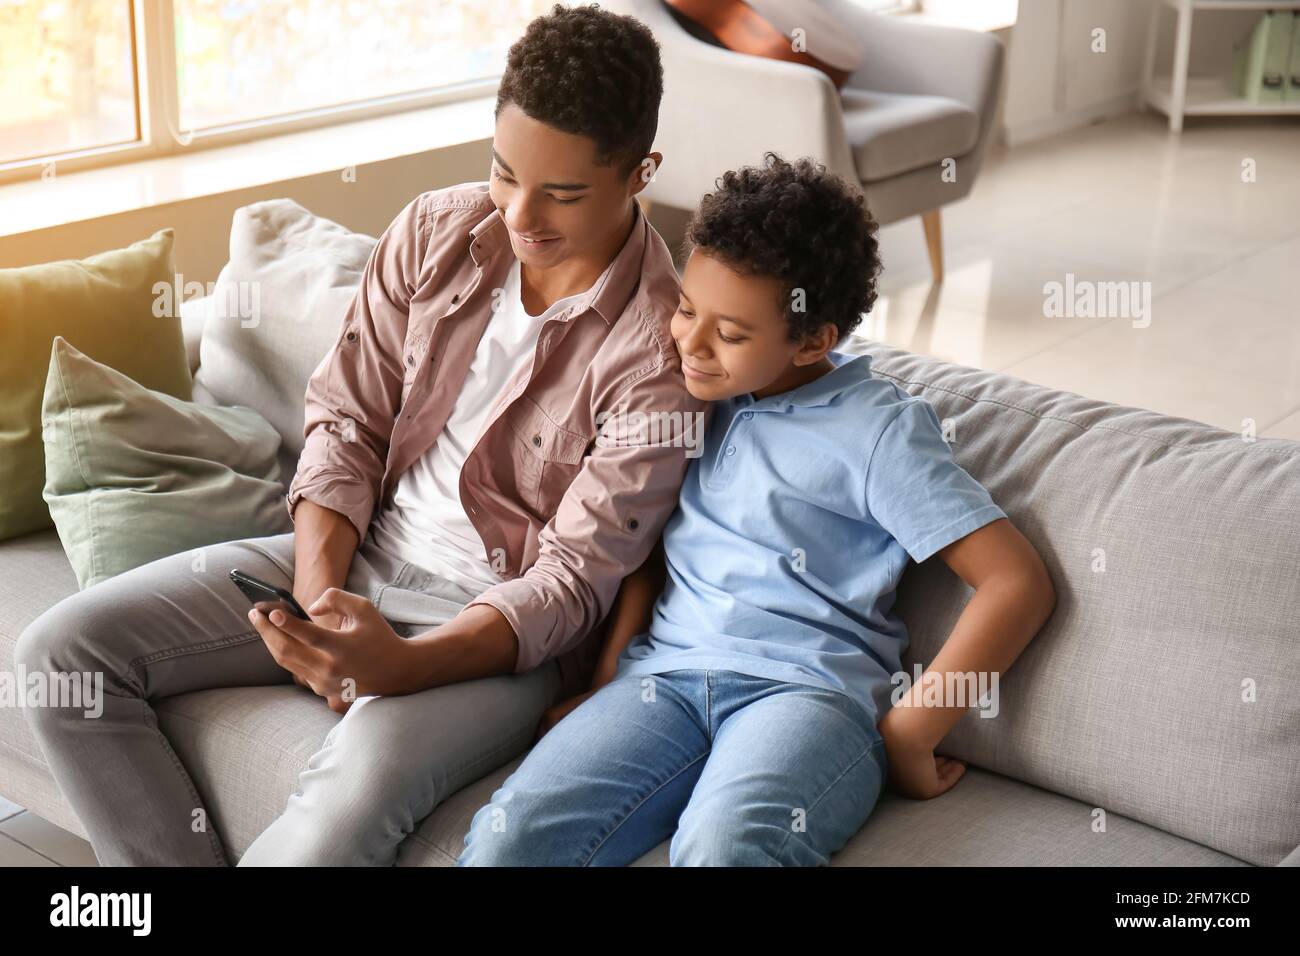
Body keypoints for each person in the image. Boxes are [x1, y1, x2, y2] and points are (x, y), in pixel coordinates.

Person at [16, 3, 705, 866]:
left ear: (641, 172)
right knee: (63, 655)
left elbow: (571, 583)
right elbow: (345, 422)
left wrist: (394, 669)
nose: (519, 215)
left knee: (340, 810)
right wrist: (320, 593)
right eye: (504, 173)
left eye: (561, 194)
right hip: (361, 556)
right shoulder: (433, 234)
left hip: (490, 631)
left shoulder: (658, 352)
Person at [458, 153, 1057, 867]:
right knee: (507, 838)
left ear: (812, 339)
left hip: (807, 696)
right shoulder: (684, 397)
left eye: (731, 334)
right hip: (661, 681)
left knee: (724, 848)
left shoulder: (879, 431)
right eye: (686, 309)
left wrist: (913, 731)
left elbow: (1016, 583)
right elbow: (645, 547)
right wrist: (606, 679)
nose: (689, 343)